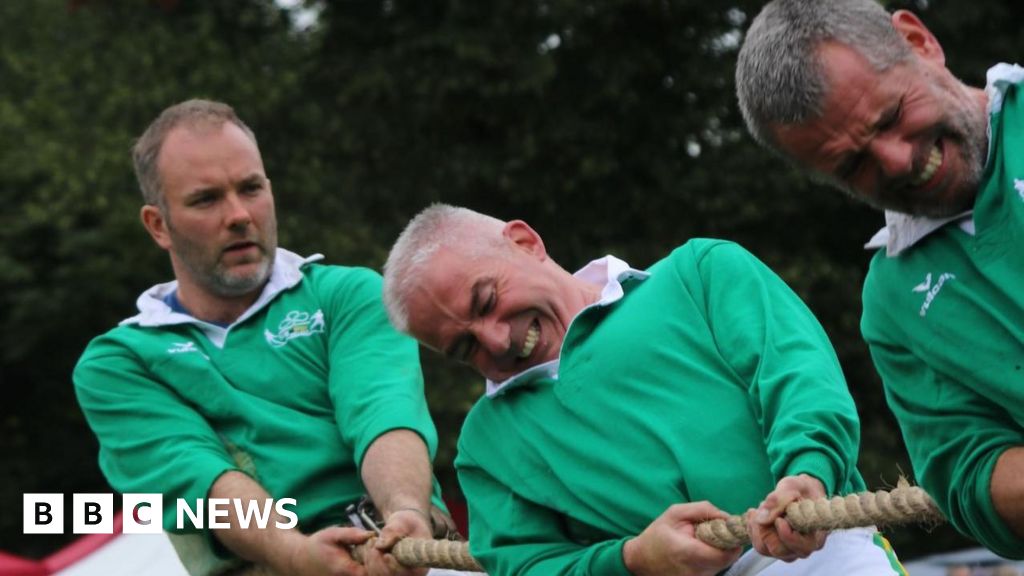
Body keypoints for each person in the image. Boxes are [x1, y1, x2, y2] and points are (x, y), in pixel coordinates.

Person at [380, 204, 905, 576]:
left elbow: (799, 379)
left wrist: (807, 475)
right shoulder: (484, 448)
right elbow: (527, 565)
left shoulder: (700, 275)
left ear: (525, 242)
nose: (495, 338)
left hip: (823, 558)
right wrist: (633, 561)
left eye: (486, 299)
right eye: (463, 347)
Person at [73, 100, 467, 576]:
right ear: (159, 225)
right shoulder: (120, 364)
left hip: (406, 554)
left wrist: (404, 511)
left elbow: (383, 410)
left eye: (250, 188)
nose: (238, 214)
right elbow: (204, 480)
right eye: (206, 199)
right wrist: (295, 553)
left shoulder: (350, 294)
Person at [736, 0, 1024, 558]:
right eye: (851, 165)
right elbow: (968, 475)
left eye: (890, 116)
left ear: (918, 42)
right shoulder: (893, 303)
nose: (894, 161)